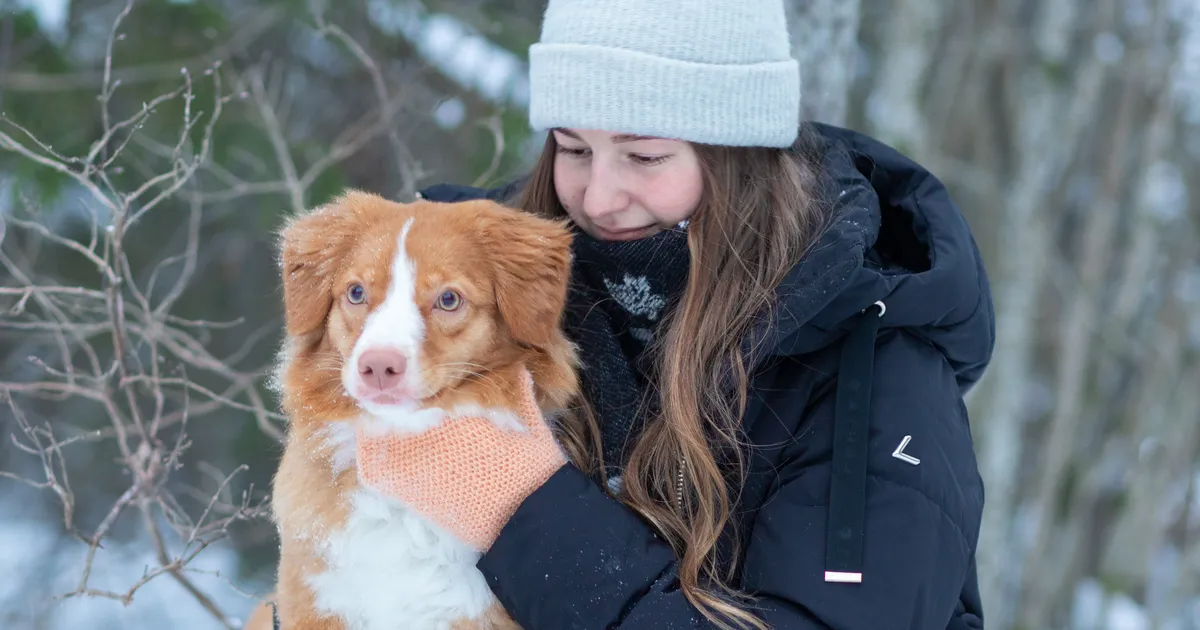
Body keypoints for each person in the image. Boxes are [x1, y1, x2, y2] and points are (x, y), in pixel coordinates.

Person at [388, 0, 995, 627]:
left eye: (644, 157)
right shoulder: (468, 297)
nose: (598, 197)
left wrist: (521, 509)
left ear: (737, 156)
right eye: (573, 149)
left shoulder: (883, 375)